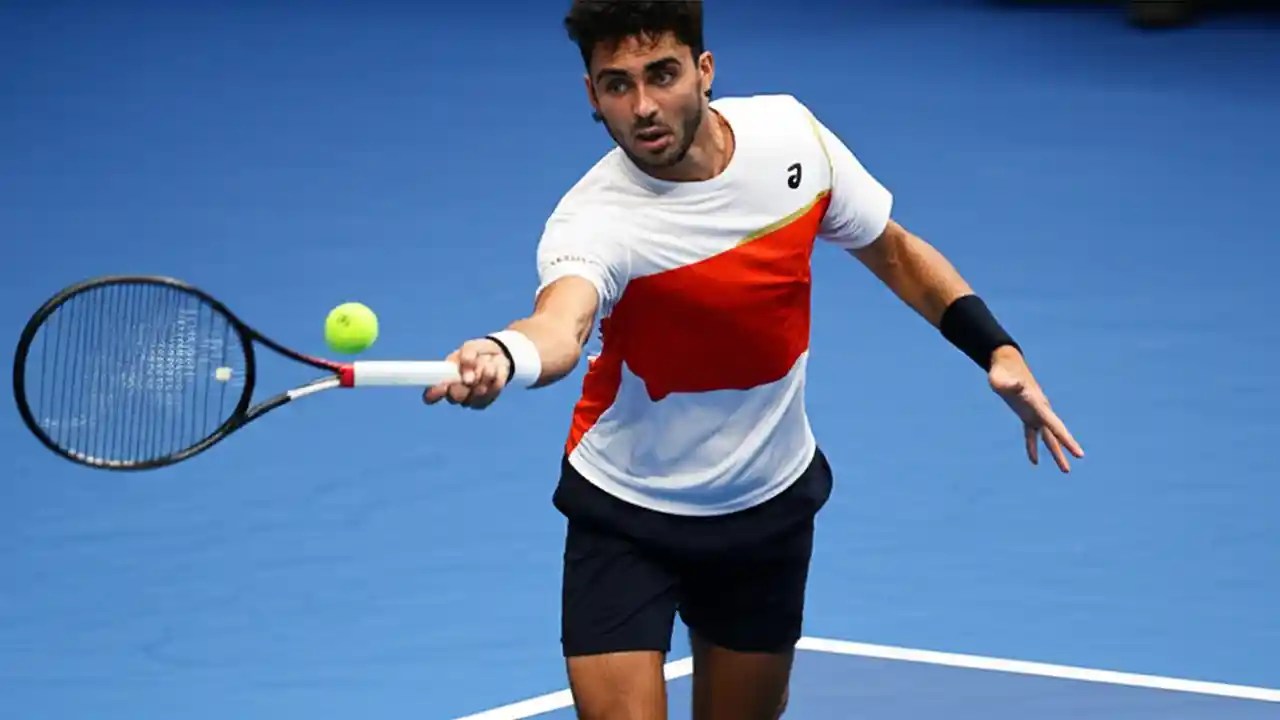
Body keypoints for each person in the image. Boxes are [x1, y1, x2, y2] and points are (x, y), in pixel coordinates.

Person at [425, 1, 1084, 717]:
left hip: (765, 506)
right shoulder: (593, 220)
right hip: (625, 510)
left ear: (704, 70)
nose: (642, 107)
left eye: (662, 74)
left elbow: (892, 251)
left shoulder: (791, 139)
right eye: (617, 84)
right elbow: (562, 323)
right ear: (591, 94)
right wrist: (507, 352)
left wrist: (996, 347)